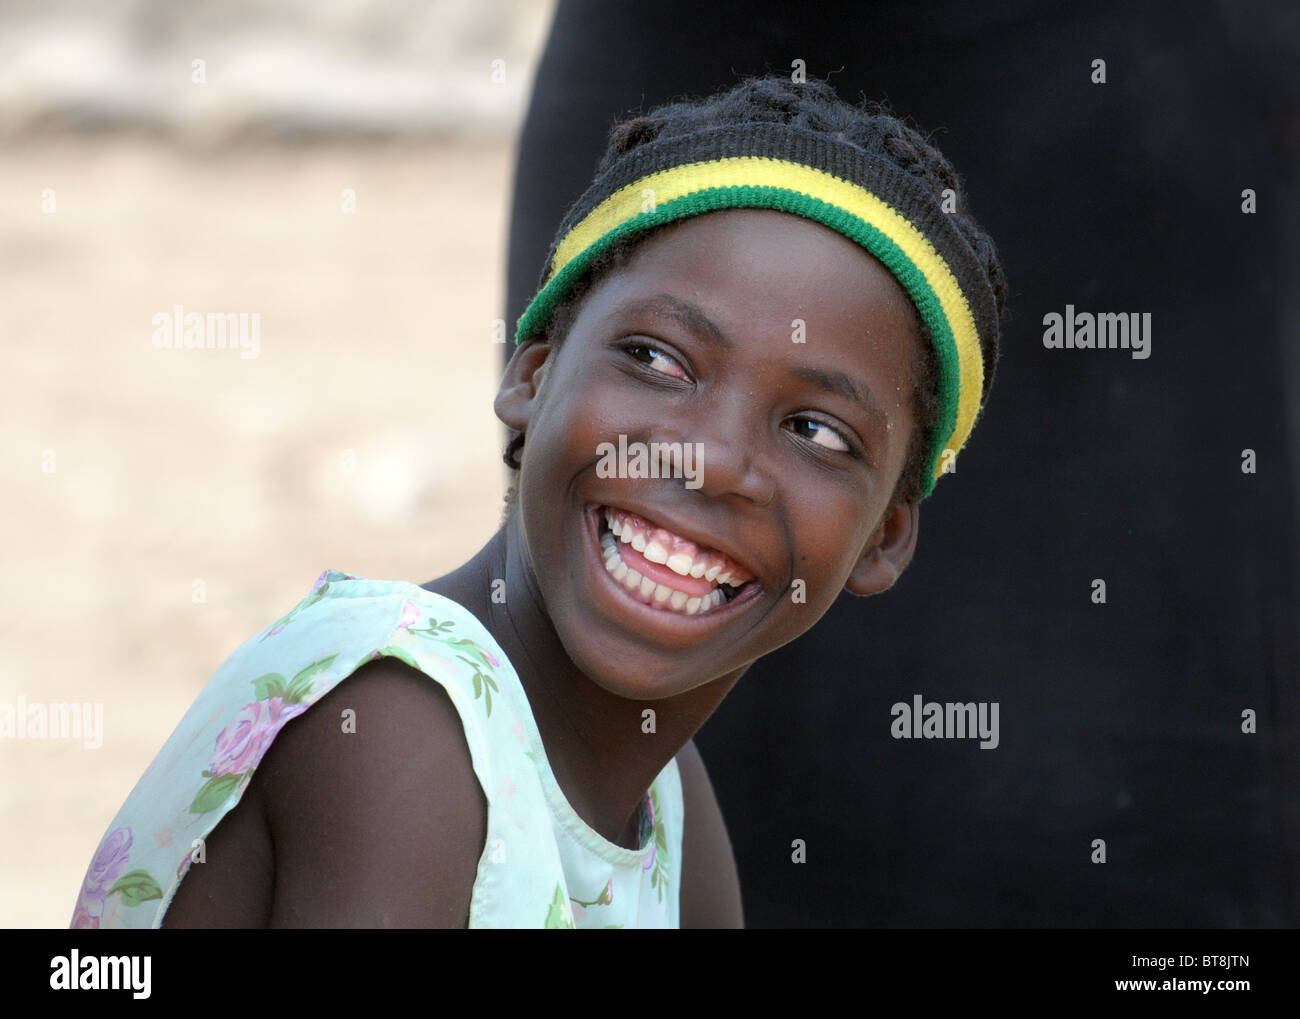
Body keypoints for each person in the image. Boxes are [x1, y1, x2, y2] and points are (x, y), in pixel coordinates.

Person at [70, 74, 1006, 929]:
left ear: (884, 536)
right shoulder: (397, 724)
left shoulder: (669, 803)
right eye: (657, 359)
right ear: (533, 372)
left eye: (815, 430)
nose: (714, 461)